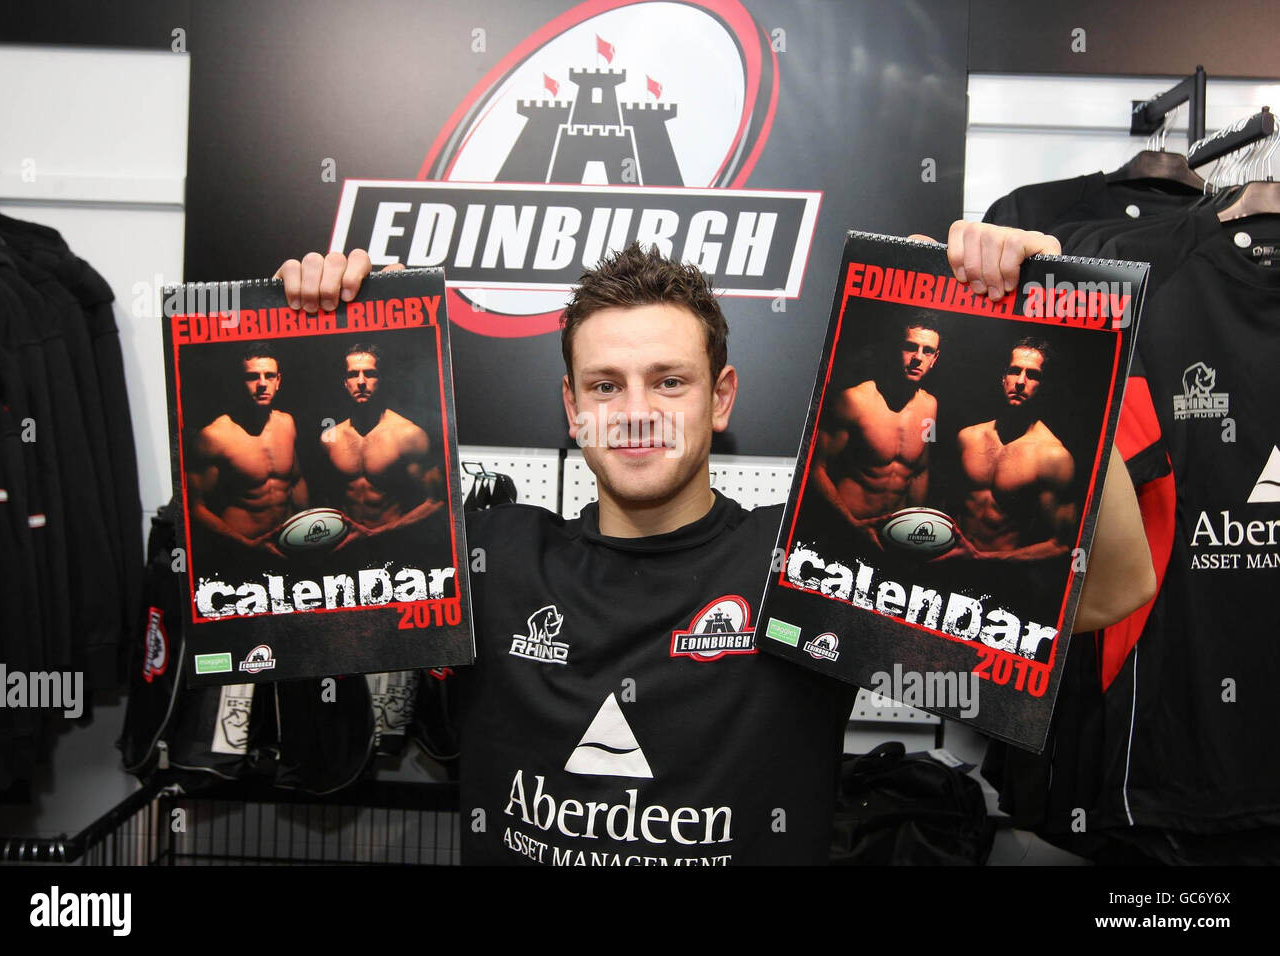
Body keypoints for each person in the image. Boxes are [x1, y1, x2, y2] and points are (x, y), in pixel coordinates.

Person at [275, 221, 1156, 865]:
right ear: (572, 410)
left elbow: (1114, 589)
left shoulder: (811, 562)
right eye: (605, 385)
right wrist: (341, 327)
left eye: (670, 380)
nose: (638, 411)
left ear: (721, 398)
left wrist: (1072, 350)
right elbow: (283, 592)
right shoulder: (484, 556)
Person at [808, 313, 942, 551]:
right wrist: (851, 523)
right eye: (910, 347)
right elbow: (816, 468)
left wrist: (911, 532)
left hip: (892, 538)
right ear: (895, 348)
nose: (918, 358)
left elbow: (920, 471)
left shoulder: (931, 406)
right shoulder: (854, 401)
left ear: (935, 358)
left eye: (927, 351)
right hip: (846, 529)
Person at [944, 336, 1077, 562]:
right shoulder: (968, 438)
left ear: (1043, 385)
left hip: (1002, 575)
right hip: (949, 562)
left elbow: (1063, 544)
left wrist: (984, 559)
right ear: (1003, 377)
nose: (1021, 381)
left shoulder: (1053, 457)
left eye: (1033, 375)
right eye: (1015, 371)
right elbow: (947, 505)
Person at [317, 342, 445, 549]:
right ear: (345, 383)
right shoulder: (330, 438)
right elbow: (325, 500)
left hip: (394, 544)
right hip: (346, 548)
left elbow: (436, 503)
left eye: (370, 373)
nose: (361, 382)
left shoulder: (408, 435)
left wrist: (375, 534)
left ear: (382, 379)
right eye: (353, 374)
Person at [186, 342, 307, 560]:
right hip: (240, 550)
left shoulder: (287, 423)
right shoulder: (215, 436)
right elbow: (195, 507)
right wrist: (247, 545)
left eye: (269, 376)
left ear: (278, 381)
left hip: (287, 548)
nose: (262, 384)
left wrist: (306, 533)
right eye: (252, 377)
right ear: (239, 381)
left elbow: (295, 481)